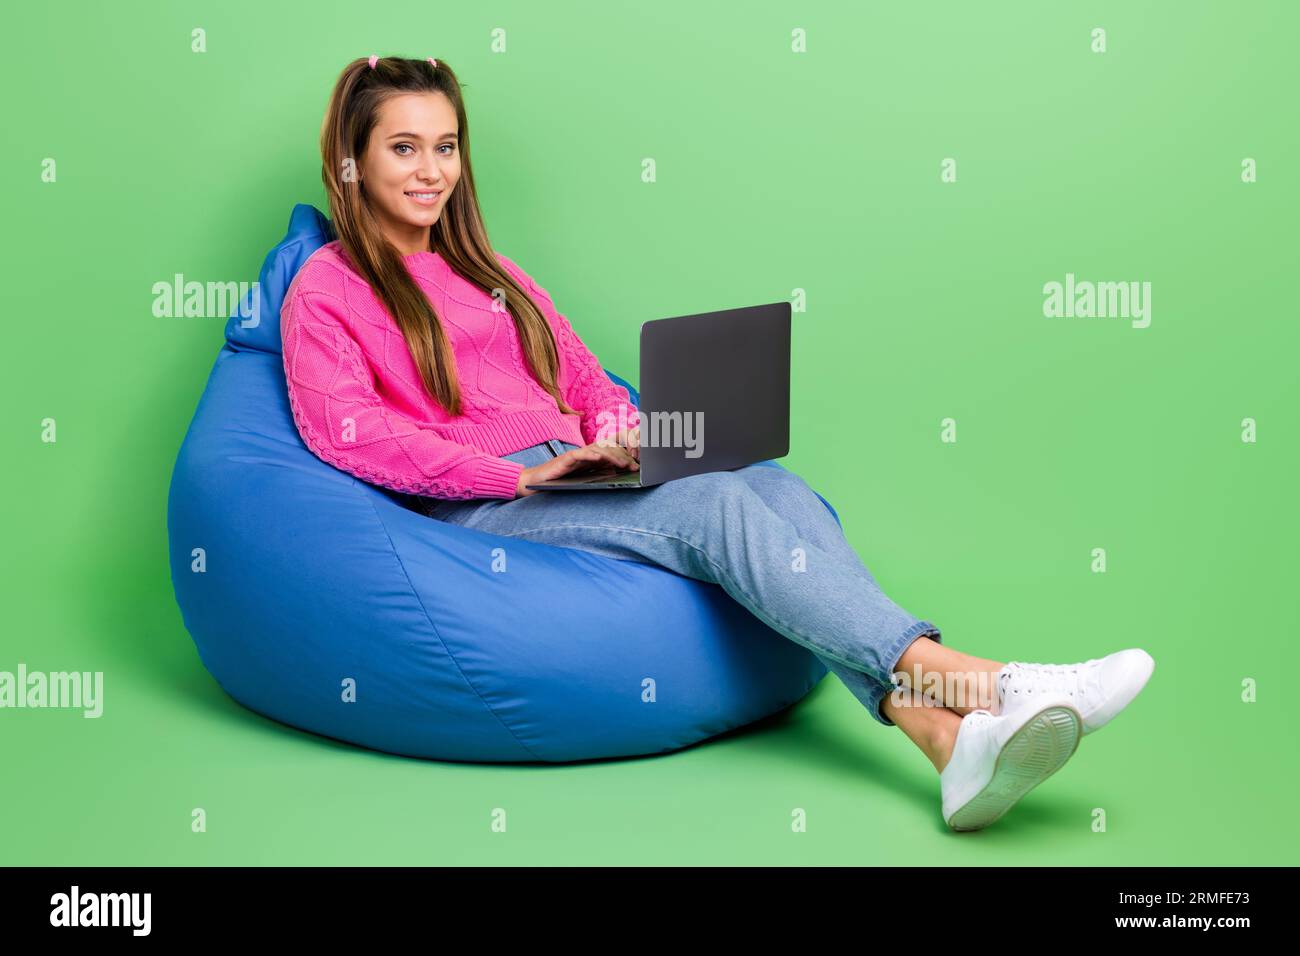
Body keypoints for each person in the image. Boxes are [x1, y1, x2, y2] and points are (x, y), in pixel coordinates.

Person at [280, 55, 1155, 831]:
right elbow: (348, 432)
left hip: (566, 479)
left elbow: (583, 382)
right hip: (478, 507)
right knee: (715, 505)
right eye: (404, 147)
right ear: (352, 163)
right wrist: (514, 476)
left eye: (446, 145)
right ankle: (979, 683)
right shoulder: (328, 290)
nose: (432, 170)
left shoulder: (491, 272)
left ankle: (947, 746)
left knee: (776, 491)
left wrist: (622, 444)